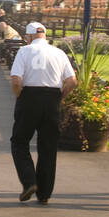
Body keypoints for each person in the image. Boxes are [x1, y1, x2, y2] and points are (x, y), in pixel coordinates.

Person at [9, 22, 77, 204]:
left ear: (30, 36)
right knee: (48, 147)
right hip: (52, 98)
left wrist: (20, 97)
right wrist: (59, 97)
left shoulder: (24, 52)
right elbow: (71, 81)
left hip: (29, 96)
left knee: (19, 141)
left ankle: (29, 181)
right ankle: (44, 193)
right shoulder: (59, 53)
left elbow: (16, 81)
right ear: (44, 35)